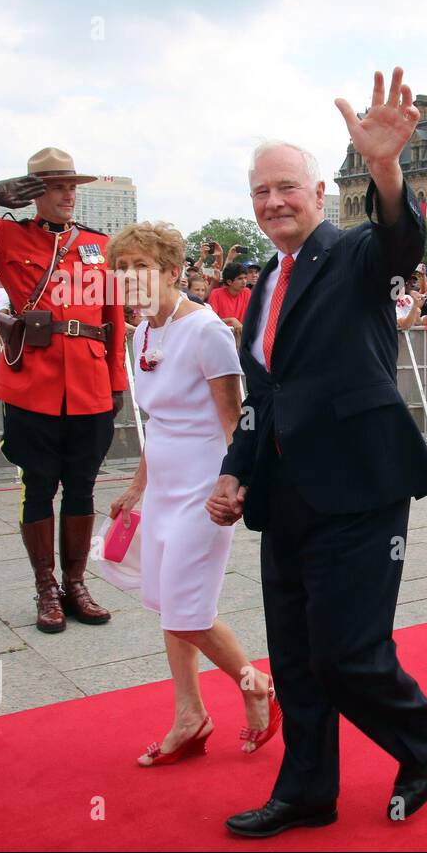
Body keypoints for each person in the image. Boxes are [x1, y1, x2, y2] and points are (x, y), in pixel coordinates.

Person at [206, 68, 427, 839]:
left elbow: (400, 242)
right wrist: (233, 472)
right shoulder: (261, 289)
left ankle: (425, 736)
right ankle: (307, 790)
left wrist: (384, 166)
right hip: (285, 497)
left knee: (349, 654)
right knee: (299, 659)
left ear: (318, 193)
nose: (273, 202)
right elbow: (265, 398)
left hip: (360, 487)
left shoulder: (349, 256)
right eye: (261, 192)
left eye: (287, 187)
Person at [0, 147, 127, 633]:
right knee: (38, 487)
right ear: (33, 192)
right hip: (33, 383)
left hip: (91, 383)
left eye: (73, 186)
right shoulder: (5, 234)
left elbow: (113, 316)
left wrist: (116, 380)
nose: (69, 195)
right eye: (57, 186)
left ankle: (76, 584)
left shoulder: (99, 245)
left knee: (83, 486)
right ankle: (45, 589)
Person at [105, 222, 281, 767]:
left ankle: (257, 685)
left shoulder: (206, 331)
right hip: (163, 486)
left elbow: (235, 422)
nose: (130, 278)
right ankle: (190, 714)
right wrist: (138, 486)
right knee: (166, 603)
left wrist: (239, 487)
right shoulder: (140, 334)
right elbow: (156, 418)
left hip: (207, 486)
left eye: (142, 267)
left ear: (173, 272)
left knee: (186, 610)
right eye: (122, 268)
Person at [208, 261, 251, 336]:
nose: (244, 282)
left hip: (241, 337)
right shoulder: (216, 294)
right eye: (240, 279)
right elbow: (211, 321)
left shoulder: (247, 292)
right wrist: (231, 320)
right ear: (229, 282)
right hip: (221, 336)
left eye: (245, 278)